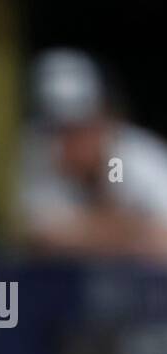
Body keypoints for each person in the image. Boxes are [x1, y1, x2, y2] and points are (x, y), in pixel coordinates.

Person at [18, 48, 167, 264]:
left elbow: (163, 241)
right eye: (58, 131)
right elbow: (41, 235)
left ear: (105, 118)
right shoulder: (37, 153)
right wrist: (130, 230)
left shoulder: (135, 158)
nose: (68, 142)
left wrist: (88, 231)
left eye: (79, 128)